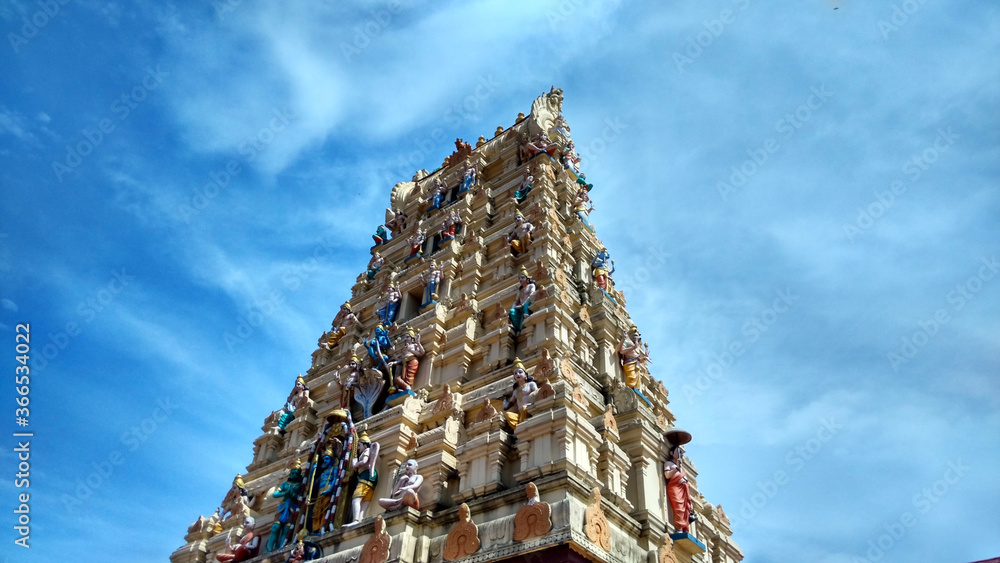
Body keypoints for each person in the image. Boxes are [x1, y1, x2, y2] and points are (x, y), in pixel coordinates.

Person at [266, 463, 303, 552]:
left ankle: (281, 548)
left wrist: (294, 495)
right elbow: (275, 494)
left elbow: (302, 496)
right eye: (292, 473)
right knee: (275, 527)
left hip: (292, 508)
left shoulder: (300, 485)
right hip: (282, 507)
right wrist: (284, 493)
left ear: (299, 475)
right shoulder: (284, 484)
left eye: (296, 473)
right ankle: (269, 549)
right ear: (290, 474)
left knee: (286, 529)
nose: (294, 475)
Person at [349, 433, 380, 524]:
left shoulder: (366, 450)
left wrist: (355, 464)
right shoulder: (368, 451)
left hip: (366, 475)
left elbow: (364, 461)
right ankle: (360, 519)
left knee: (356, 499)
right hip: (371, 477)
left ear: (365, 444)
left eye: (359, 445)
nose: (358, 448)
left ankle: (355, 520)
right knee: (365, 500)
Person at [663, 444, 696, 533]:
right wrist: (677, 468)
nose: (681, 454)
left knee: (686, 508)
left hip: (684, 489)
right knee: (679, 508)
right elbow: (667, 475)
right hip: (675, 487)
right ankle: (679, 528)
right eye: (678, 452)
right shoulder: (668, 463)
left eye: (681, 452)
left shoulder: (682, 468)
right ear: (671, 453)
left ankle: (685, 527)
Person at [502, 358, 538, 430]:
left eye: (520, 372)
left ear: (525, 375)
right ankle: (519, 428)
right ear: (515, 378)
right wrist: (504, 400)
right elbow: (508, 405)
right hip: (520, 414)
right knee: (508, 415)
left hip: (529, 409)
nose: (517, 374)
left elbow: (537, 393)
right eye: (515, 373)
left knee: (525, 408)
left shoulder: (531, 384)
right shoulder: (515, 391)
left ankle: (522, 426)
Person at [617, 325, 648, 391]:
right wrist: (633, 347)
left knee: (637, 379)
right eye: (635, 335)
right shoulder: (626, 341)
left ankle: (635, 390)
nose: (637, 337)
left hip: (636, 363)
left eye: (637, 336)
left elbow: (637, 358)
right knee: (632, 377)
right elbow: (622, 351)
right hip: (629, 362)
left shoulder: (636, 345)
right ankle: (631, 390)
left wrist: (644, 358)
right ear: (630, 335)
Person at [508, 267, 536, 334]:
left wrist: (523, 304)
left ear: (527, 279)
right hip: (520, 307)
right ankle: (517, 327)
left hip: (528, 304)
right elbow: (516, 301)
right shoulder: (520, 290)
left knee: (526, 306)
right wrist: (513, 308)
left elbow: (532, 295)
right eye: (519, 278)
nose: (520, 279)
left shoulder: (531, 286)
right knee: (512, 312)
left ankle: (526, 318)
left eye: (522, 277)